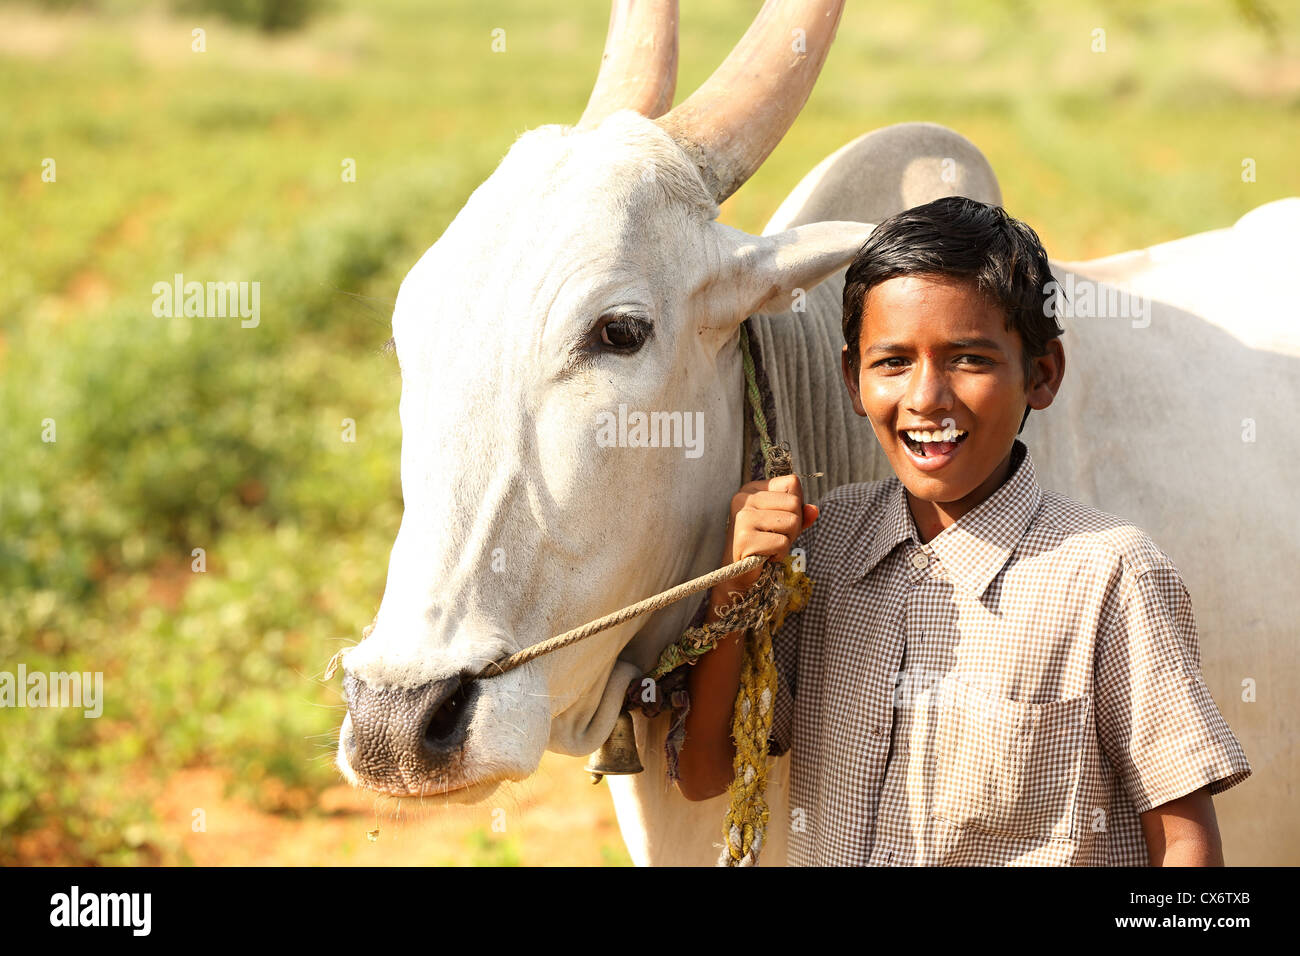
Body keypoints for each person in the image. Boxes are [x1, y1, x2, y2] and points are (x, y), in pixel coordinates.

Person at [675, 196, 1251, 866]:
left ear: (1041, 374)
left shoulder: (1109, 577)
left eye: (968, 359)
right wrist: (732, 590)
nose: (927, 398)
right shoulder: (820, 553)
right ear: (851, 379)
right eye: (892, 362)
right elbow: (707, 774)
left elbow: (1183, 842)